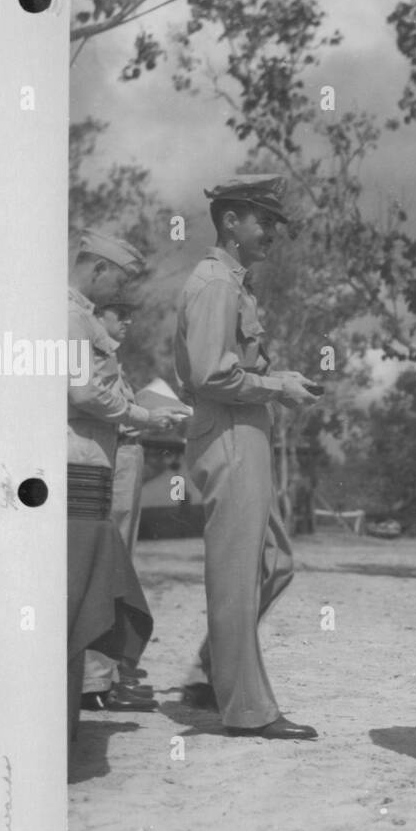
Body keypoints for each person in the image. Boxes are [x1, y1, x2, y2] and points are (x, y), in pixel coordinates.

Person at [174, 175, 321, 738]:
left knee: (273, 561)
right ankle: (246, 709)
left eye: (277, 224)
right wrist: (277, 384)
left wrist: (275, 384)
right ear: (231, 221)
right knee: (236, 573)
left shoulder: (234, 283)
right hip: (229, 432)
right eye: (265, 222)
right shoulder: (216, 284)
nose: (274, 235)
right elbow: (213, 374)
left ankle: (215, 669)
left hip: (245, 430)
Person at [68, 231, 165, 723]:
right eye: (119, 282)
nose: (119, 296)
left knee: (102, 570)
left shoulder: (81, 315)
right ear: (99, 268)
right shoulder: (71, 316)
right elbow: (83, 394)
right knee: (91, 575)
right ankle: (91, 684)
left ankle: (97, 681)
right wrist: (142, 416)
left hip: (96, 453)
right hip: (83, 457)